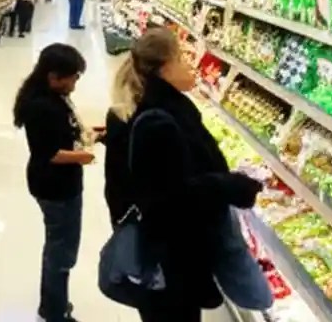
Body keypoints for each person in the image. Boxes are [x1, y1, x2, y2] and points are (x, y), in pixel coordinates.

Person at [103, 27, 264, 322]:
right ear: (164, 67)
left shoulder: (153, 108)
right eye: (182, 58)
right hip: (169, 260)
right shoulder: (158, 119)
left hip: (167, 255)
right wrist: (228, 185)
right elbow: (170, 197)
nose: (191, 64)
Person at [13, 44, 92, 322]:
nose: (74, 83)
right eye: (71, 77)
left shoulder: (51, 96)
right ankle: (55, 312)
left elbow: (63, 135)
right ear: (53, 76)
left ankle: (52, 305)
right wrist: (84, 156)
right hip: (55, 187)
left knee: (58, 246)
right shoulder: (41, 107)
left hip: (57, 184)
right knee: (61, 251)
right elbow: (50, 154)